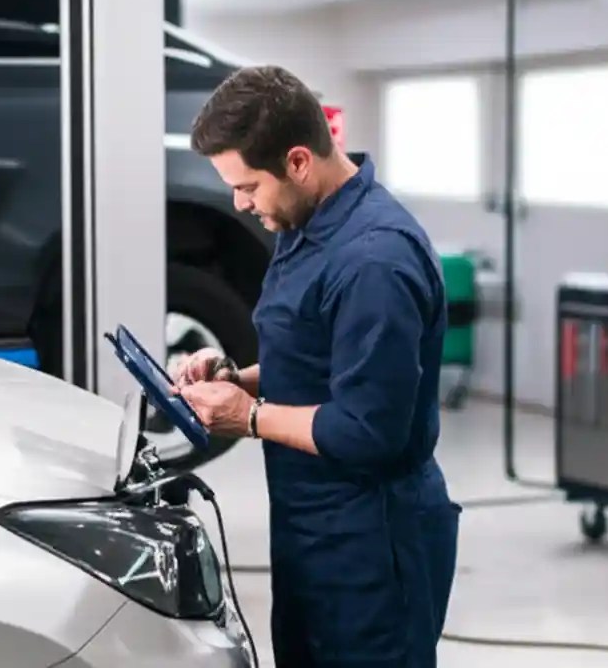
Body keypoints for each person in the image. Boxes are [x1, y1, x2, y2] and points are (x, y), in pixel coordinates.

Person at [172, 65, 461, 668]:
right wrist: (234, 379)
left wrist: (248, 418)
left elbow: (367, 430)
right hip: (313, 529)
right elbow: (314, 361)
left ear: (299, 161)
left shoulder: (374, 262)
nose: (238, 202)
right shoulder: (307, 223)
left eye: (248, 185)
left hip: (373, 546)